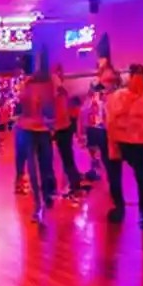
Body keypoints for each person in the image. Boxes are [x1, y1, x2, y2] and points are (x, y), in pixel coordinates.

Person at [105, 64, 143, 229]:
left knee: (142, 179)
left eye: (141, 77)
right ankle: (119, 209)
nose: (137, 81)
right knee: (115, 179)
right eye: (134, 76)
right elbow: (111, 119)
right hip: (119, 140)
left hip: (139, 143)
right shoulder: (118, 96)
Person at [18, 72, 58, 222]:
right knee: (34, 169)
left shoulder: (48, 86)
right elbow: (21, 105)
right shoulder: (27, 87)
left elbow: (51, 110)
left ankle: (45, 196)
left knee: (45, 167)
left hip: (42, 131)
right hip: (30, 131)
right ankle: (38, 203)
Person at [51, 67, 83, 199]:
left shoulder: (59, 89)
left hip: (62, 127)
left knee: (65, 157)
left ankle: (73, 185)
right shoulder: (62, 90)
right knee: (66, 157)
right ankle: (72, 184)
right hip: (63, 126)